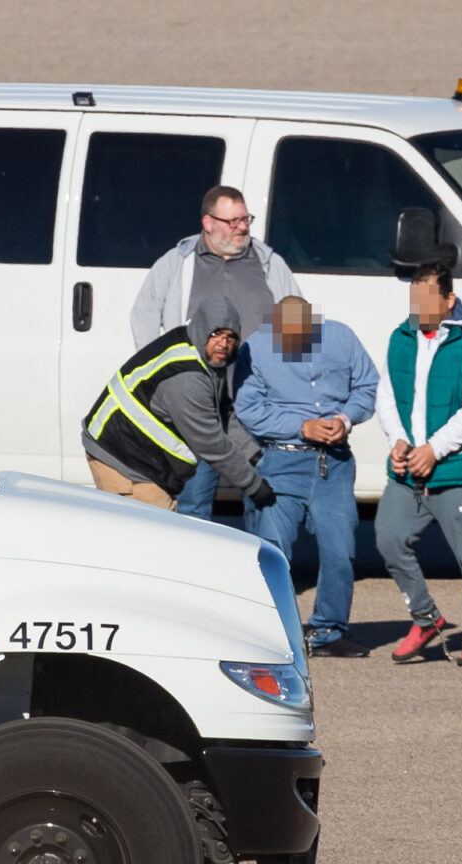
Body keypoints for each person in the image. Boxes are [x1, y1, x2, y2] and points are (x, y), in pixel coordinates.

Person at [130, 185, 302, 518]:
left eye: (245, 219)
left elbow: (297, 324)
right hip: (201, 404)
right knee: (193, 502)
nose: (243, 227)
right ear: (208, 223)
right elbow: (143, 315)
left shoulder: (269, 262)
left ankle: (262, 552)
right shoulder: (178, 261)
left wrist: (289, 384)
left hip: (256, 403)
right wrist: (164, 376)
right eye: (233, 221)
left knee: (264, 500)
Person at [235, 297, 378, 658]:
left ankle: (329, 632)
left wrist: (345, 419)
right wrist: (302, 427)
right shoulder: (255, 347)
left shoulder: (341, 337)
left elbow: (368, 386)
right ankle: (267, 632)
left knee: (340, 551)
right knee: (273, 552)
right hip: (281, 462)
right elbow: (248, 409)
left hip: (335, 464)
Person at [374, 261, 462, 666]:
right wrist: (398, 440)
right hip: (408, 468)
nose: (419, 307)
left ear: (448, 300)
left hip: (455, 468)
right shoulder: (400, 337)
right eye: (414, 299)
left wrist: (434, 449)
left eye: (428, 299)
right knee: (389, 539)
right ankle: (425, 617)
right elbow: (387, 396)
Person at [83, 295, 275, 512]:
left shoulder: (204, 356)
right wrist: (254, 486)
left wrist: (255, 457)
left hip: (141, 458)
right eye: (216, 334)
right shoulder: (188, 379)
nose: (223, 344)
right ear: (202, 329)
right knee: (151, 530)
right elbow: (211, 444)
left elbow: (223, 415)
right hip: (124, 459)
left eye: (231, 337)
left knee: (161, 527)